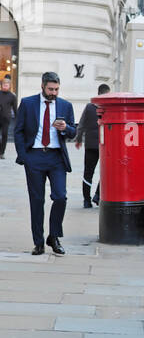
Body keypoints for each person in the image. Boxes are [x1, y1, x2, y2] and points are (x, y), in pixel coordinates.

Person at [14, 70, 77, 255]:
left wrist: (66, 128)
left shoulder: (65, 105)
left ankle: (54, 236)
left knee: (60, 197)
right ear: (42, 86)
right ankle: (39, 242)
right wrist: (24, 156)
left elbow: (73, 132)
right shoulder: (27, 103)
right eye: (51, 89)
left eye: (57, 89)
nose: (54, 93)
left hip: (56, 157)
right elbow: (18, 130)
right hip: (34, 157)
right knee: (36, 200)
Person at [75, 83, 110, 207]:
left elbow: (81, 125)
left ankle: (86, 200)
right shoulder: (109, 108)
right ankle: (97, 195)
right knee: (106, 172)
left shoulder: (89, 107)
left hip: (90, 145)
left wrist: (78, 139)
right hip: (105, 145)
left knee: (88, 172)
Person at [0, 74, 16, 159]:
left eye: (7, 85)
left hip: (6, 118)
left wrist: (18, 120)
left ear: (9, 86)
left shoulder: (12, 96)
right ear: (1, 85)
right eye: (3, 85)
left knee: (5, 134)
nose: (5, 86)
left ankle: (2, 152)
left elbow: (15, 109)